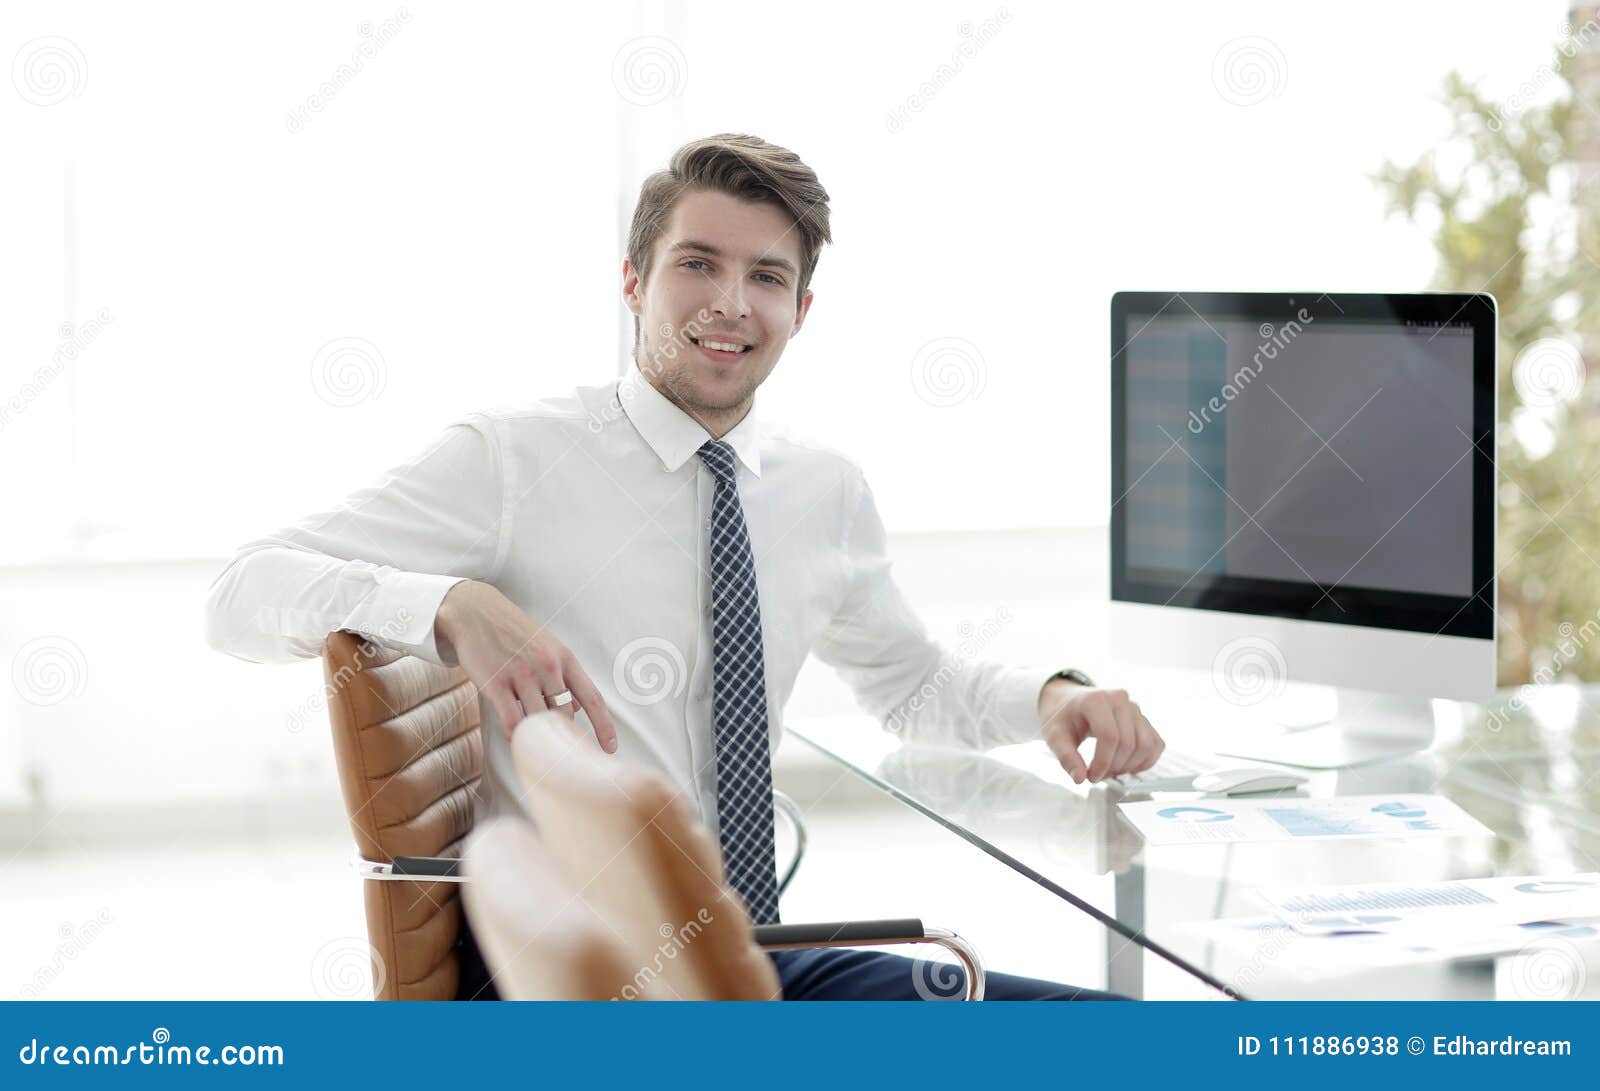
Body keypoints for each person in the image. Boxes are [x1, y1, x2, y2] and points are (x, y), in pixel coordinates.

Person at [205, 133, 1165, 1001]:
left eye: (766, 276)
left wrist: (1049, 696)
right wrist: (447, 602)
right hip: (577, 978)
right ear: (632, 280)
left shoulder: (823, 489)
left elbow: (912, 686)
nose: (730, 304)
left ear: (802, 307)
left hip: (755, 955)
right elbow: (239, 592)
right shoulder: (512, 459)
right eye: (697, 264)